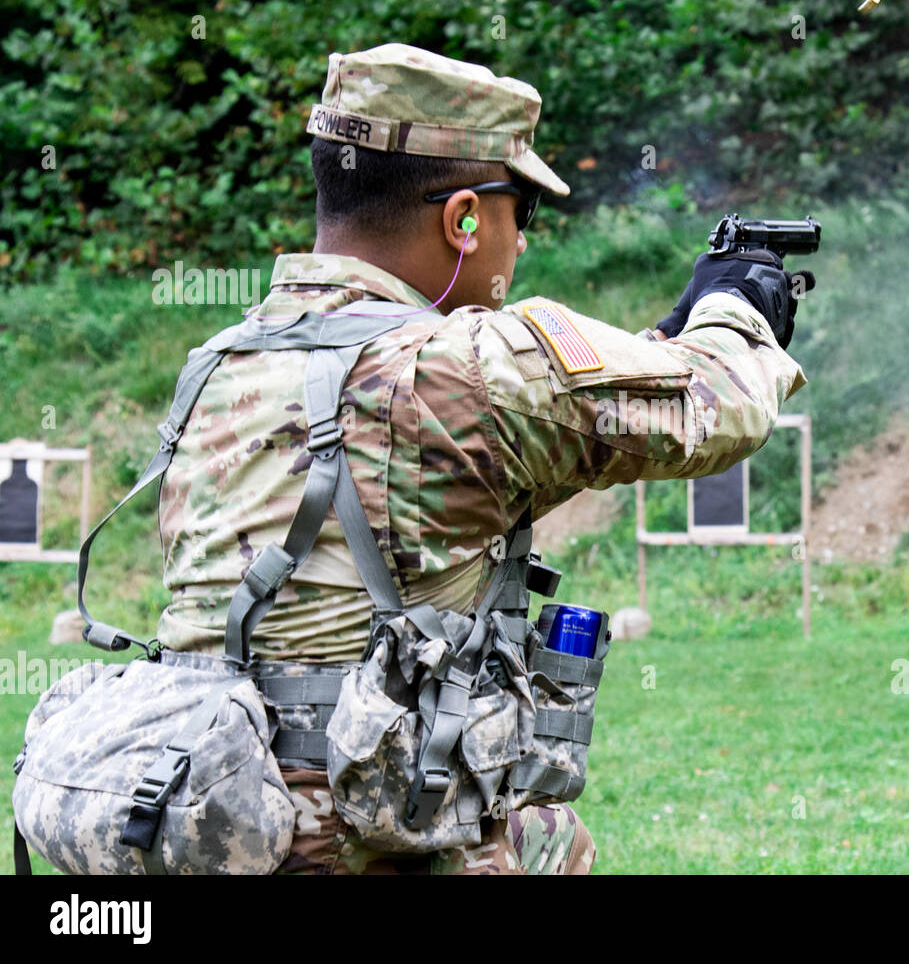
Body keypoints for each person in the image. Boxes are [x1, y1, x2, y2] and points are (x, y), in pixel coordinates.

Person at [153, 43, 808, 874]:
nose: (521, 245)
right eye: (520, 213)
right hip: (359, 828)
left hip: (202, 812)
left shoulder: (221, 360)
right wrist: (735, 306)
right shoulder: (465, 366)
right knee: (548, 842)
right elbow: (720, 408)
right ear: (464, 218)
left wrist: (664, 341)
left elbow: (533, 408)